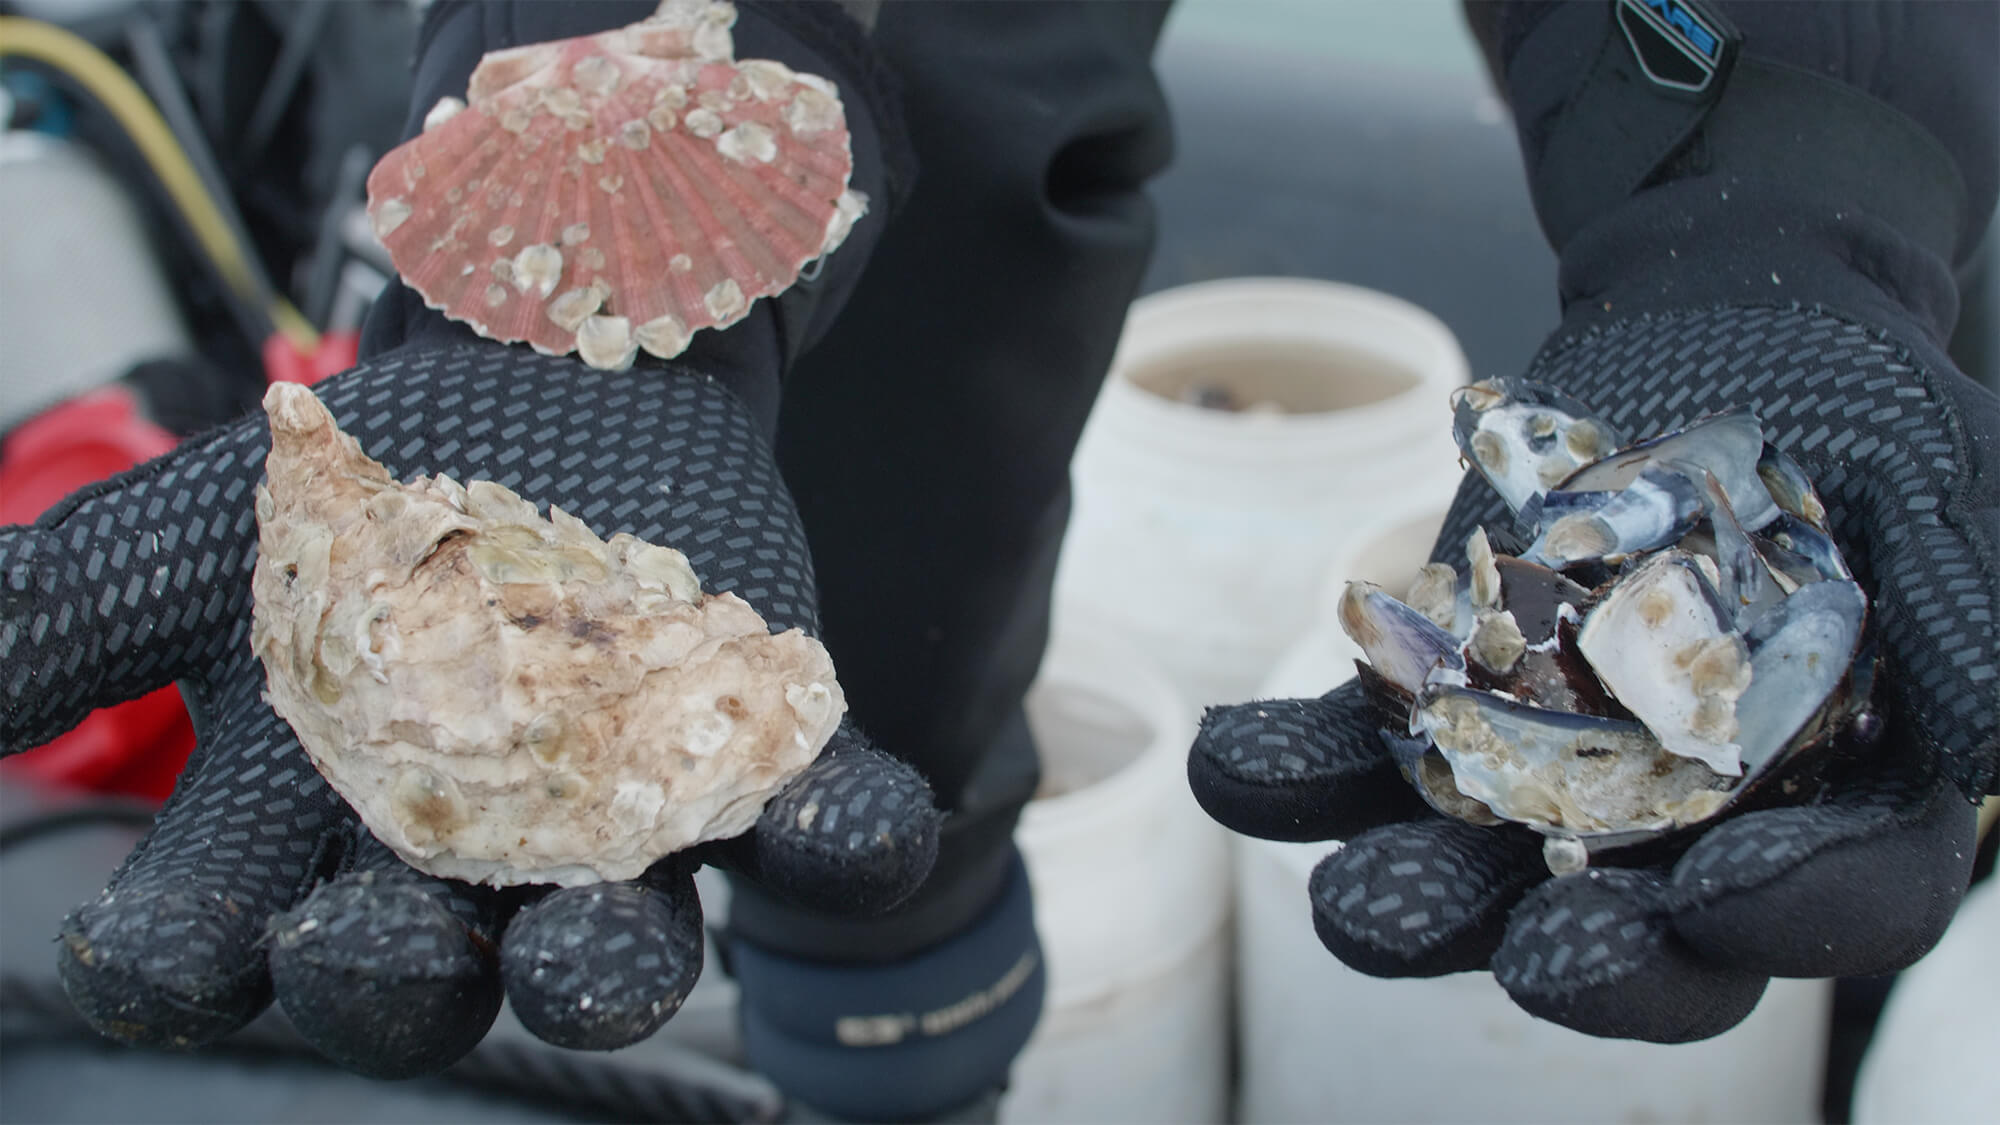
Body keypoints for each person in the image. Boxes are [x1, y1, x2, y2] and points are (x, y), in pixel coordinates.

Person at [1, 0, 1993, 1120]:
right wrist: (621, 180)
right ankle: (891, 1052)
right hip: (809, 282)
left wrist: (1793, 183)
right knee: (853, 809)